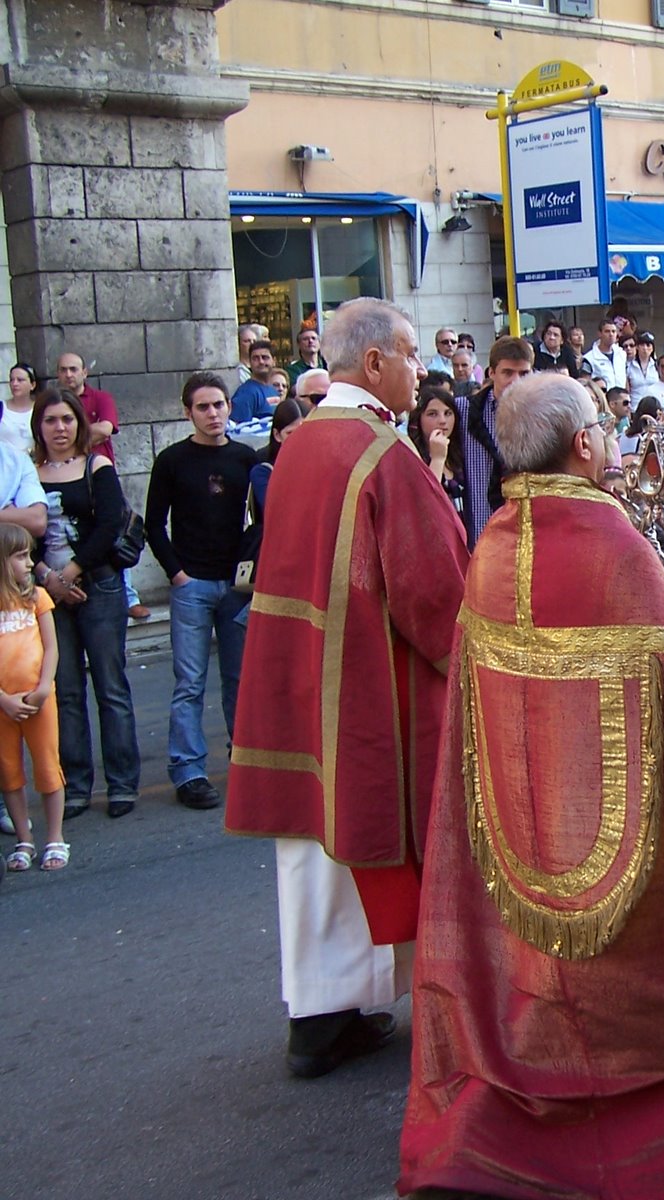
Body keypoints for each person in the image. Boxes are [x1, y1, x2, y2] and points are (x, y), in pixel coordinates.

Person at [399, 372, 664, 1198]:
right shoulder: (611, 548)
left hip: (529, 810)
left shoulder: (494, 541)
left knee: (547, 964)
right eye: (601, 423)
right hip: (628, 844)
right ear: (585, 446)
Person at [225, 297, 469, 1080]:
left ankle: (322, 1011)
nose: (418, 368)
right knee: (357, 838)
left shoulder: (299, 444)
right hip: (366, 693)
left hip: (301, 680)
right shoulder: (380, 456)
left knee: (312, 854)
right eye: (407, 353)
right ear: (373, 364)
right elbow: (433, 596)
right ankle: (331, 1018)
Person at [144, 372, 257, 810]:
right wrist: (177, 574)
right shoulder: (173, 461)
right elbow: (154, 523)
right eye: (203, 407)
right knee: (189, 681)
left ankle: (244, 759)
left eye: (219, 405)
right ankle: (188, 770)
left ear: (230, 407)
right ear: (188, 411)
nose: (213, 414)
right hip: (192, 583)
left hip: (236, 584)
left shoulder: (246, 459)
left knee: (240, 678)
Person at [31, 386, 140, 821]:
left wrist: (72, 572)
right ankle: (76, 785)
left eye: (67, 419)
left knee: (111, 687)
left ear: (79, 422)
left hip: (99, 586)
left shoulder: (97, 465)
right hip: (47, 593)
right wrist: (49, 580)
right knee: (67, 690)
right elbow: (22, 536)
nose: (60, 428)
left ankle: (122, 783)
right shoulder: (28, 470)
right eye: (51, 420)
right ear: (39, 427)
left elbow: (111, 523)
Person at [0, 523, 66, 873]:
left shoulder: (37, 597)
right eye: (21, 556)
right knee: (9, 772)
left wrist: (43, 687)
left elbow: (52, 647)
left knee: (47, 766)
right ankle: (23, 838)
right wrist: (3, 699)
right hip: (3, 704)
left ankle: (54, 836)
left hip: (39, 698)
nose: (30, 563)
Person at [457, 335, 534, 547]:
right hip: (477, 530)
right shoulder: (463, 410)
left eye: (524, 373)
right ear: (492, 373)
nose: (516, 380)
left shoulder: (541, 414)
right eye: (508, 372)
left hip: (524, 532)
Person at [408, 383, 466, 524]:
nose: (442, 421)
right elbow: (426, 503)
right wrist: (437, 459)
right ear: (419, 418)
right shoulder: (411, 455)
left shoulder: (459, 453)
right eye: (432, 414)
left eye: (448, 413)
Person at [232, 340, 280, 421]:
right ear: (250, 362)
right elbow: (239, 429)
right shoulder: (245, 393)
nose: (261, 362)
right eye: (255, 358)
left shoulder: (273, 389)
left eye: (265, 357)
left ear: (274, 361)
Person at [581, 317, 628, 389]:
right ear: (599, 334)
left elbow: (625, 379)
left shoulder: (622, 354)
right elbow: (585, 383)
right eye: (607, 331)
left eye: (613, 331)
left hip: (621, 396)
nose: (611, 334)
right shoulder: (589, 358)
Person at [2, 363, 35, 455]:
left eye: (20, 380)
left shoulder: (41, 409)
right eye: (12, 380)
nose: (14, 384)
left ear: (32, 385)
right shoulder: (2, 408)